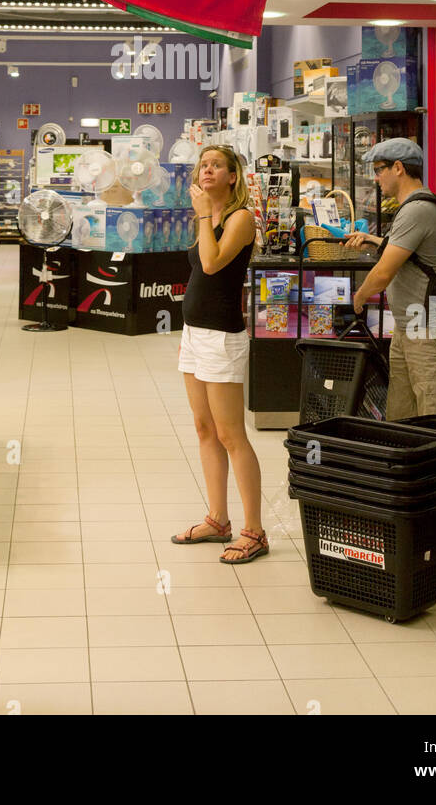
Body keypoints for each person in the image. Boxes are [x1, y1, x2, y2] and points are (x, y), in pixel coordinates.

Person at [171, 145, 268, 563]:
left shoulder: (240, 218)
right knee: (203, 429)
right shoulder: (210, 216)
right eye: (203, 165)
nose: (206, 170)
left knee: (231, 435)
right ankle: (217, 519)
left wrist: (202, 213)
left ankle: (255, 531)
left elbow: (210, 265)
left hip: (222, 338)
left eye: (216, 166)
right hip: (195, 334)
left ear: (233, 176)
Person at [346, 138, 436, 420]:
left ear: (399, 167)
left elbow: (383, 273)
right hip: (411, 329)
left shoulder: (417, 210)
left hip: (431, 334)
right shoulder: (415, 207)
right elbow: (409, 254)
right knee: (404, 420)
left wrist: (360, 296)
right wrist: (372, 241)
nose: (376, 178)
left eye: (379, 170)